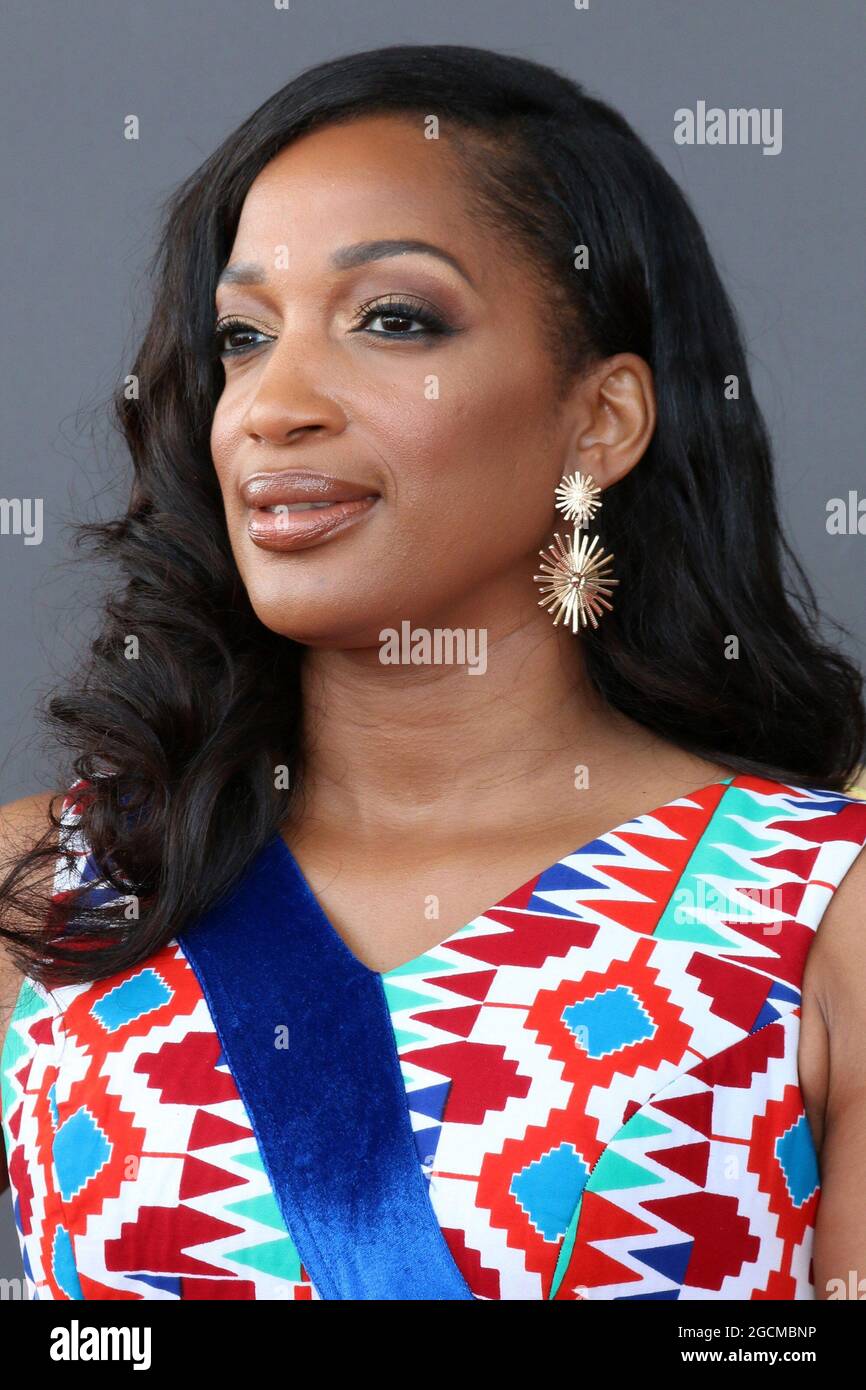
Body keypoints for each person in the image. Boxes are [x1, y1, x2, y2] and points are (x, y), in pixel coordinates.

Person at [1, 43, 864, 1301]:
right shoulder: (53, 897)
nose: (270, 405)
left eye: (392, 319)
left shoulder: (812, 909)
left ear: (600, 420)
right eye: (241, 336)